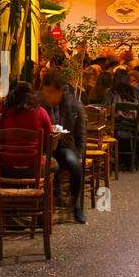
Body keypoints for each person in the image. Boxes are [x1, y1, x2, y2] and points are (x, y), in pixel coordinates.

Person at [39, 69, 88, 223]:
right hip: (44, 148)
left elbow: (81, 134)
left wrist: (78, 153)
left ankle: (76, 205)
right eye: (45, 91)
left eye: (50, 92)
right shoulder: (38, 103)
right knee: (48, 167)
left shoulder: (72, 105)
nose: (47, 95)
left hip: (66, 146)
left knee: (75, 165)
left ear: (60, 91)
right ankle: (44, 207)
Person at [103, 66, 139, 164]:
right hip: (133, 127)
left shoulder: (111, 92)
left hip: (115, 128)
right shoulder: (134, 92)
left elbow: (106, 110)